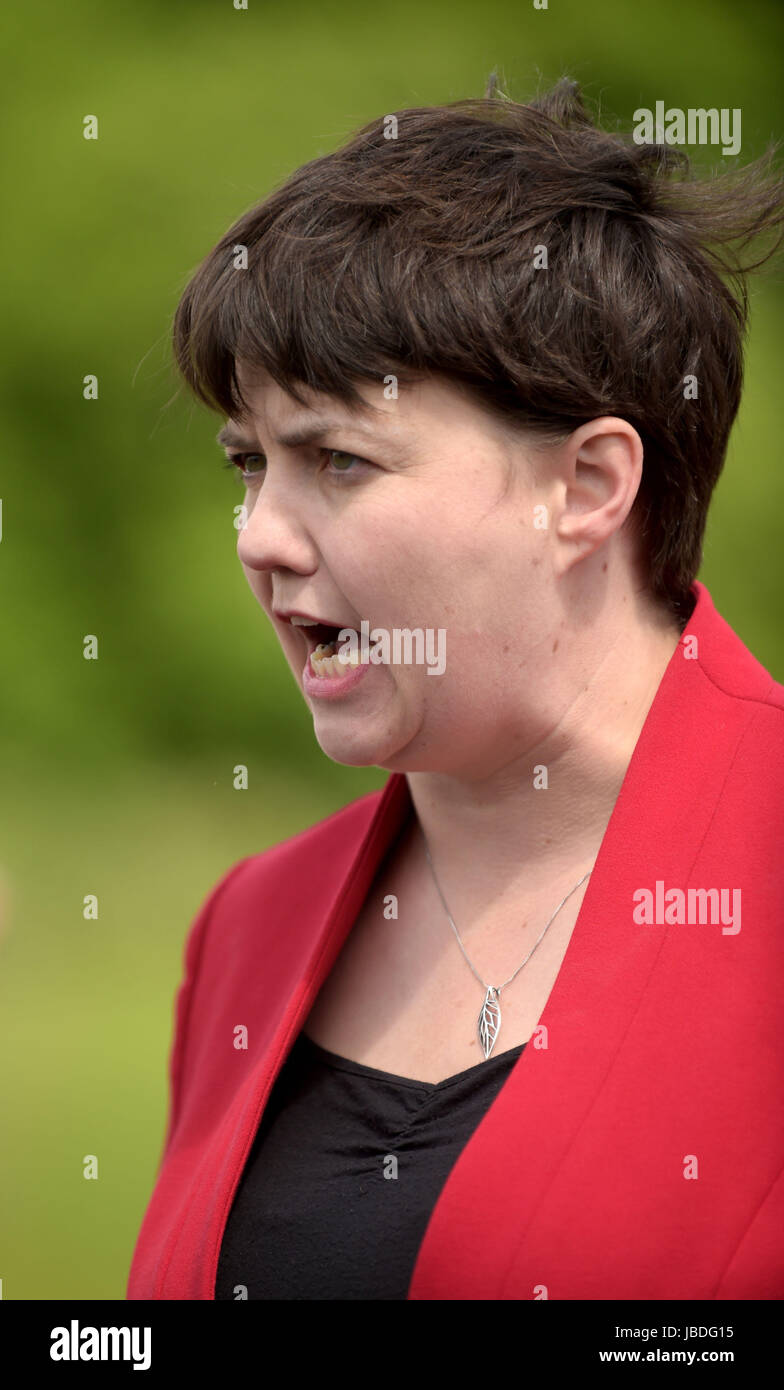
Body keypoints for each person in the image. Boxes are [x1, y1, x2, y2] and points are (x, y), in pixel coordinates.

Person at [127, 76, 784, 1300]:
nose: (258, 535)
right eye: (248, 463)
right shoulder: (246, 928)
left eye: (336, 458)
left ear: (586, 487)